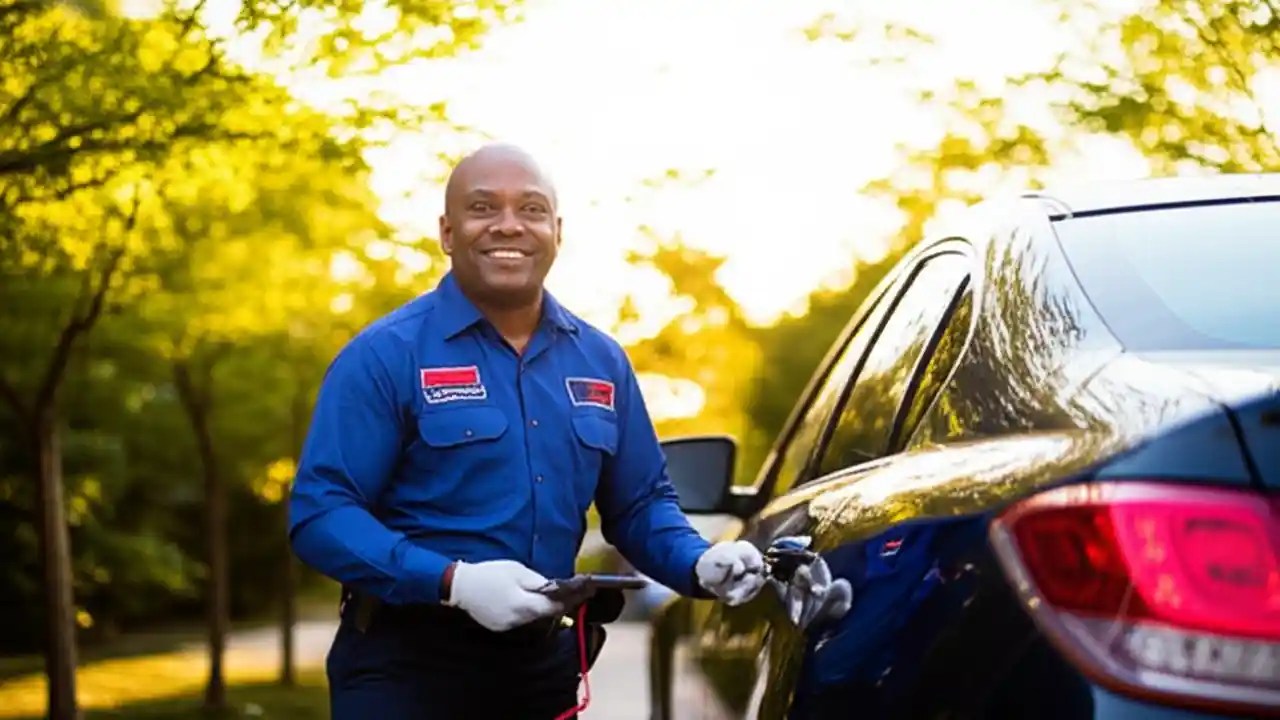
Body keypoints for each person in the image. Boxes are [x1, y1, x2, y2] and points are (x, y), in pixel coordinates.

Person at [288, 143, 766, 719]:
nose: (509, 225)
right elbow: (321, 514)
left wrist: (697, 562)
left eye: (532, 209)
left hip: (541, 672)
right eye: (483, 208)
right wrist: (453, 583)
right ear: (447, 232)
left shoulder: (601, 361)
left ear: (556, 231)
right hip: (405, 673)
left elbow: (640, 504)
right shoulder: (384, 356)